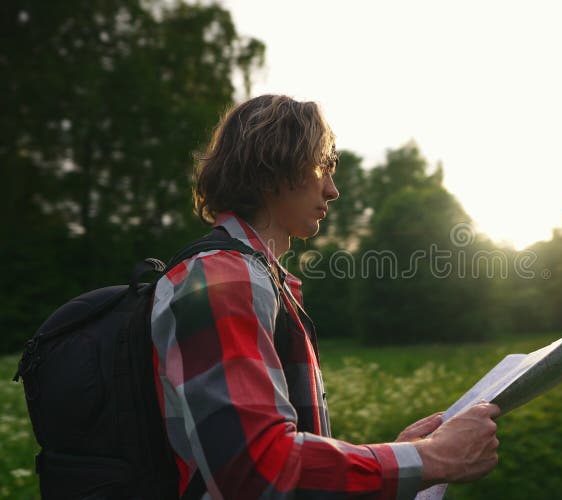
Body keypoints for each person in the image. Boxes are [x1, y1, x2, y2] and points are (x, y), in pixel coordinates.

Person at [150, 94, 500, 499]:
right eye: (322, 166)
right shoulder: (221, 279)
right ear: (274, 165)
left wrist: (405, 452)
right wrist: (431, 459)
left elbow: (287, 464)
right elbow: (256, 471)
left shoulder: (260, 281)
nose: (332, 191)